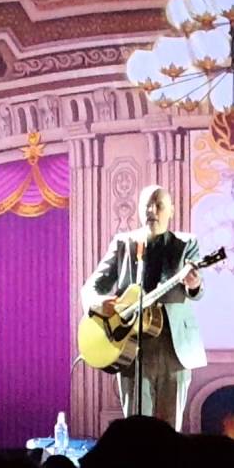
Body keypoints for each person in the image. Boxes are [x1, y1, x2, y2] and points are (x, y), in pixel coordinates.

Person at [81, 184, 206, 431]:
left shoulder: (186, 243)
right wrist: (98, 304)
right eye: (146, 205)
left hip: (174, 347)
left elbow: (197, 292)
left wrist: (194, 284)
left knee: (170, 429)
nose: (151, 210)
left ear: (170, 210)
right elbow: (90, 288)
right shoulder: (123, 244)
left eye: (158, 205)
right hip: (131, 345)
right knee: (137, 430)